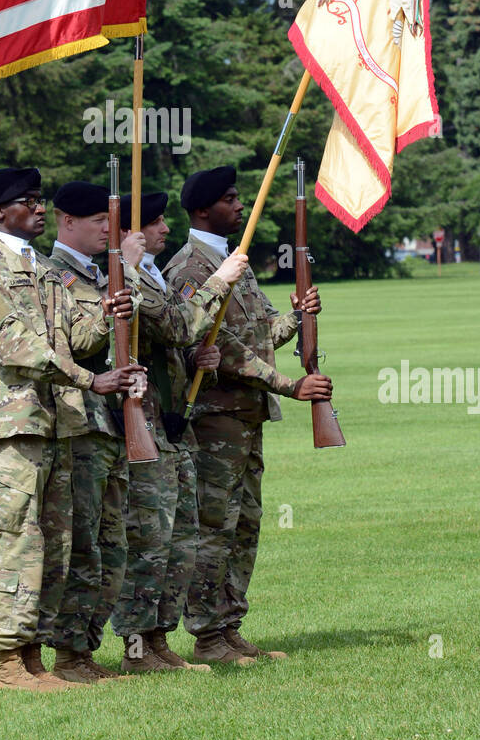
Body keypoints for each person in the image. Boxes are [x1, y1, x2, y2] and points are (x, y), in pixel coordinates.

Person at [0, 167, 142, 694]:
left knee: (56, 548)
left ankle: (39, 660)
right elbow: (15, 347)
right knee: (16, 543)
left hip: (59, 427)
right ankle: (10, 666)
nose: (38, 208)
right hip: (12, 429)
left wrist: (109, 313)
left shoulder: (43, 271)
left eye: (39, 200)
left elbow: (74, 338)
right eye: (27, 202)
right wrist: (90, 379)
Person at [164, 167, 332, 665]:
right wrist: (288, 384)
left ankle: (230, 625)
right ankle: (207, 635)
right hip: (215, 421)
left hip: (246, 417)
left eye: (240, 198)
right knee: (213, 528)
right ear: (201, 211)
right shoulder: (189, 271)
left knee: (245, 526)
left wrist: (297, 318)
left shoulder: (234, 264)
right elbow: (217, 346)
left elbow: (258, 337)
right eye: (230, 199)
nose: (240, 207)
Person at [111, 189, 250, 674]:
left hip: (173, 421)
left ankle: (158, 640)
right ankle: (135, 648)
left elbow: (174, 343)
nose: (164, 229)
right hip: (144, 422)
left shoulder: (149, 274)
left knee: (180, 539)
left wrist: (196, 360)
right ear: (131, 233)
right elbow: (174, 324)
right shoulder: (130, 277)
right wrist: (217, 284)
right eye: (153, 222)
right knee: (148, 538)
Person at [45, 181, 136, 683]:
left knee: (112, 544)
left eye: (110, 219)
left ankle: (87, 648)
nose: (109, 228)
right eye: (99, 220)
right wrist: (109, 312)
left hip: (112, 424)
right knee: (82, 545)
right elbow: (68, 346)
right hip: (78, 424)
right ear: (67, 221)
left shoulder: (101, 273)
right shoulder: (52, 276)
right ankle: (69, 654)